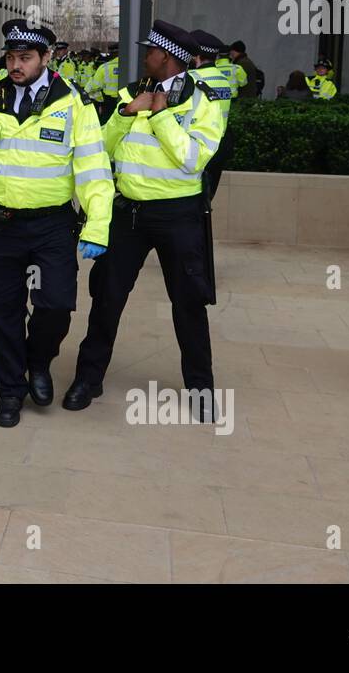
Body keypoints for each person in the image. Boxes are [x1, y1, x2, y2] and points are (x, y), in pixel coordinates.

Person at [0, 19, 113, 428]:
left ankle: (39, 362)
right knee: (0, 309)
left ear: (47, 57)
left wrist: (98, 225)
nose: (15, 64)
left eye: (25, 57)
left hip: (52, 226)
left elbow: (94, 168)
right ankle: (11, 389)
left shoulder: (73, 103)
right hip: (0, 224)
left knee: (56, 304)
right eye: (10, 57)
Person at [67, 22, 226, 413]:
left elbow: (192, 161)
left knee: (188, 303)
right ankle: (88, 379)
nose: (144, 57)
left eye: (149, 52)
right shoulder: (131, 92)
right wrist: (126, 112)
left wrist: (159, 117)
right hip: (129, 214)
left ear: (167, 57)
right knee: (107, 298)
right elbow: (99, 146)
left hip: (178, 216)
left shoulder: (203, 102)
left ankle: (201, 391)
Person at [189, 30, 236, 201]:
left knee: (194, 200)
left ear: (195, 56)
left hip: (199, 147)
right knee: (207, 201)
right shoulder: (223, 79)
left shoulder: (193, 78)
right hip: (219, 145)